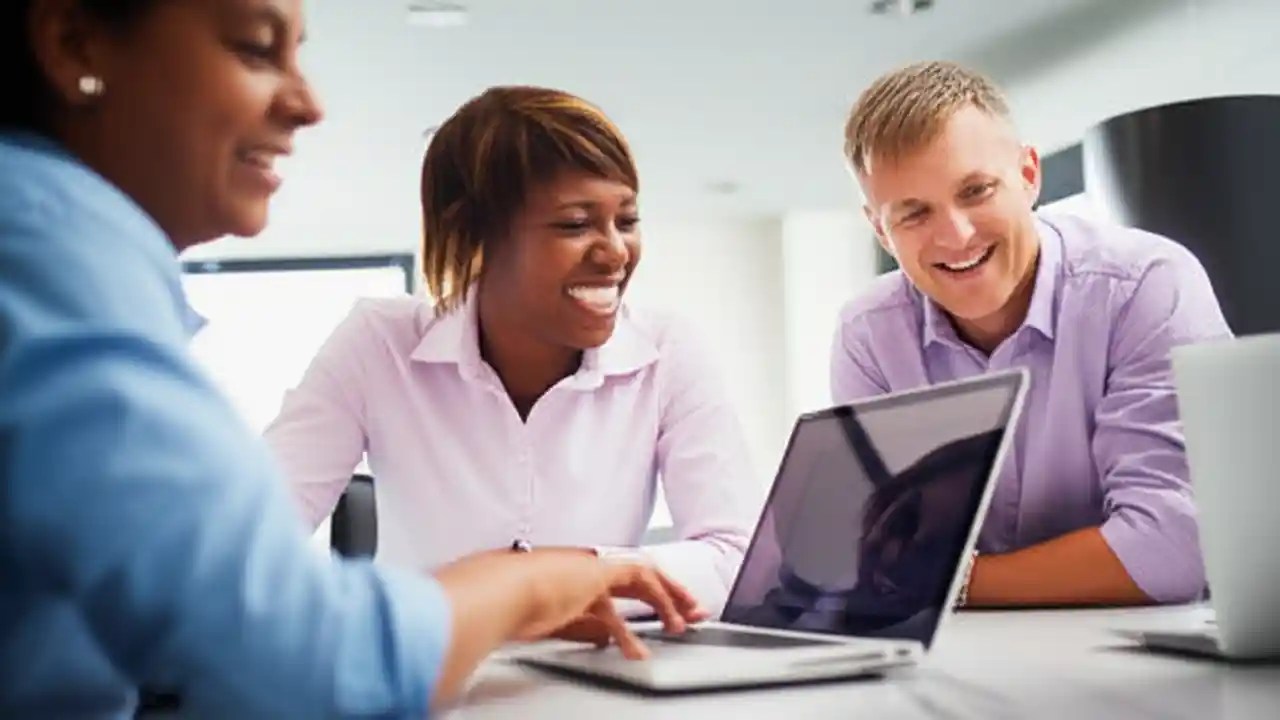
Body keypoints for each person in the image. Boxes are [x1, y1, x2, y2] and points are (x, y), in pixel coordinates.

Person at [0, 1, 702, 717]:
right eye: (253, 48)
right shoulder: (40, 252)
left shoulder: (52, 240)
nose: (309, 105)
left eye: (626, 219)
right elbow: (296, 653)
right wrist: (538, 582)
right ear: (73, 43)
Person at [262, 85, 758, 620]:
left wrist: (584, 575)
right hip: (432, 682)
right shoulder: (376, 343)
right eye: (575, 223)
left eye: (627, 220)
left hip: (607, 683)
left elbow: (737, 559)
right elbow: (250, 540)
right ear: (474, 234)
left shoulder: (668, 351)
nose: (615, 250)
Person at [831, 60, 1232, 607]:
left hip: (1149, 652)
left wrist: (958, 584)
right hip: (967, 659)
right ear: (880, 227)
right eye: (914, 214)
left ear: (1028, 175)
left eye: (976, 190)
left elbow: (1174, 549)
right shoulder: (868, 337)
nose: (957, 235)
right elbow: (889, 555)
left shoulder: (1145, 287)